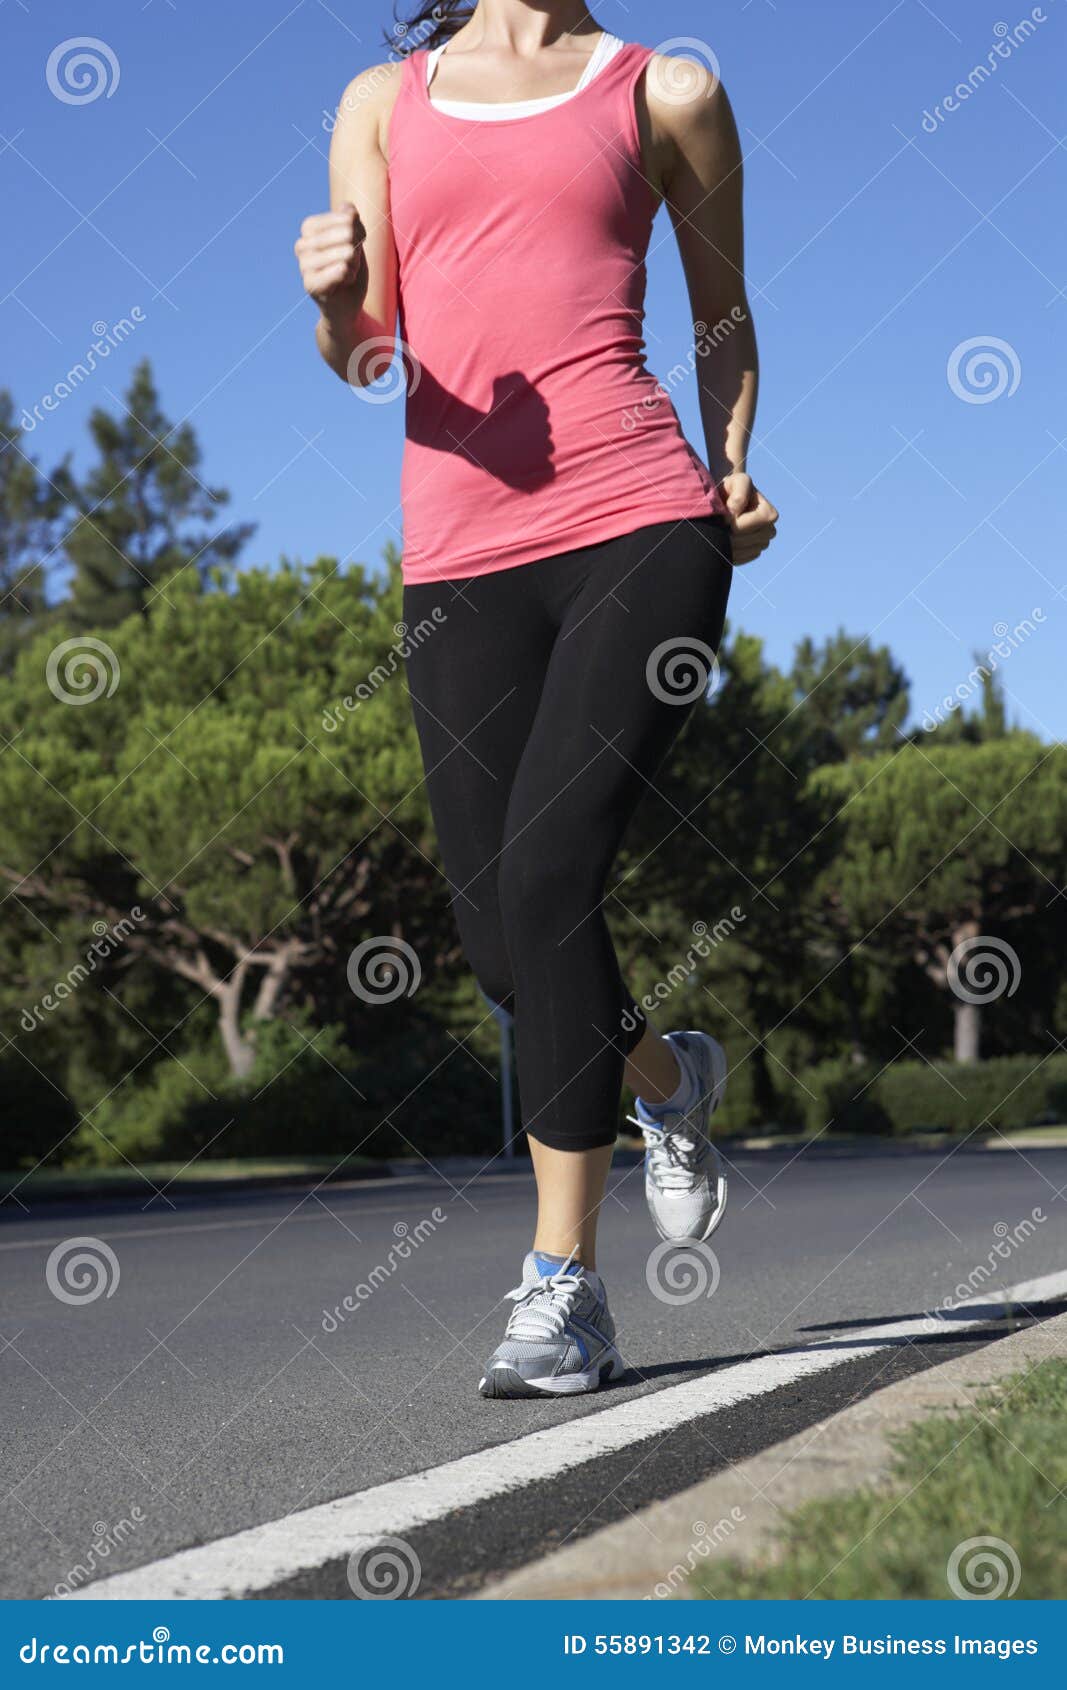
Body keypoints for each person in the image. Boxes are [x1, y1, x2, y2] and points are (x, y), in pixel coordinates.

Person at [294, 1, 778, 1399]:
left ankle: (565, 1287)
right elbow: (372, 353)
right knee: (505, 946)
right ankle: (669, 1082)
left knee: (553, 871)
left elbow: (726, 311)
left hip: (641, 516)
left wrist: (732, 464)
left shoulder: (666, 92)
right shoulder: (383, 103)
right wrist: (337, 303)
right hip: (459, 555)